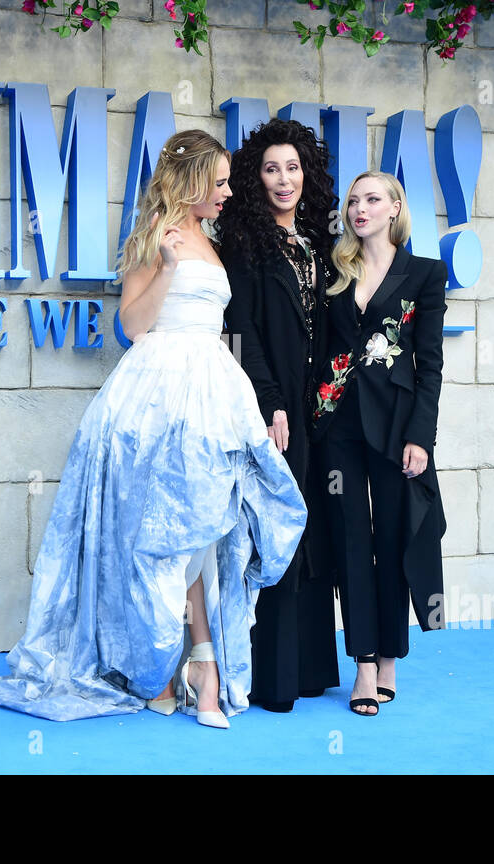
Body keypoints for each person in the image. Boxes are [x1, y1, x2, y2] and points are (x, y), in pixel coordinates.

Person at [0, 129, 307, 726]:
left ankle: (188, 669)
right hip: (156, 394)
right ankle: (182, 671)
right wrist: (167, 268)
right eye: (220, 181)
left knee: (207, 526)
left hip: (213, 390)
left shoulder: (213, 238)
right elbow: (131, 325)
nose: (230, 191)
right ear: (192, 182)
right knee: (168, 534)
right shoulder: (156, 238)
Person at [310, 170, 447, 717]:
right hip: (337, 423)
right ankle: (363, 662)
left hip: (396, 428)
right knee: (350, 539)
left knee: (392, 539)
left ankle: (391, 654)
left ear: (395, 208)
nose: (359, 208)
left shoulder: (425, 275)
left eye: (372, 199)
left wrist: (421, 437)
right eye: (353, 201)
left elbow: (431, 364)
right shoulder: (334, 270)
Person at [217, 119, 340, 713]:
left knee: (317, 531)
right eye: (271, 168)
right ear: (254, 178)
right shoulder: (244, 244)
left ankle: (314, 669)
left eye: (292, 167)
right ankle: (274, 679)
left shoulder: (319, 241)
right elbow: (240, 333)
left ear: (306, 174)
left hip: (323, 408)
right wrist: (270, 402)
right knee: (279, 534)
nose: (283, 179)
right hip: (280, 408)